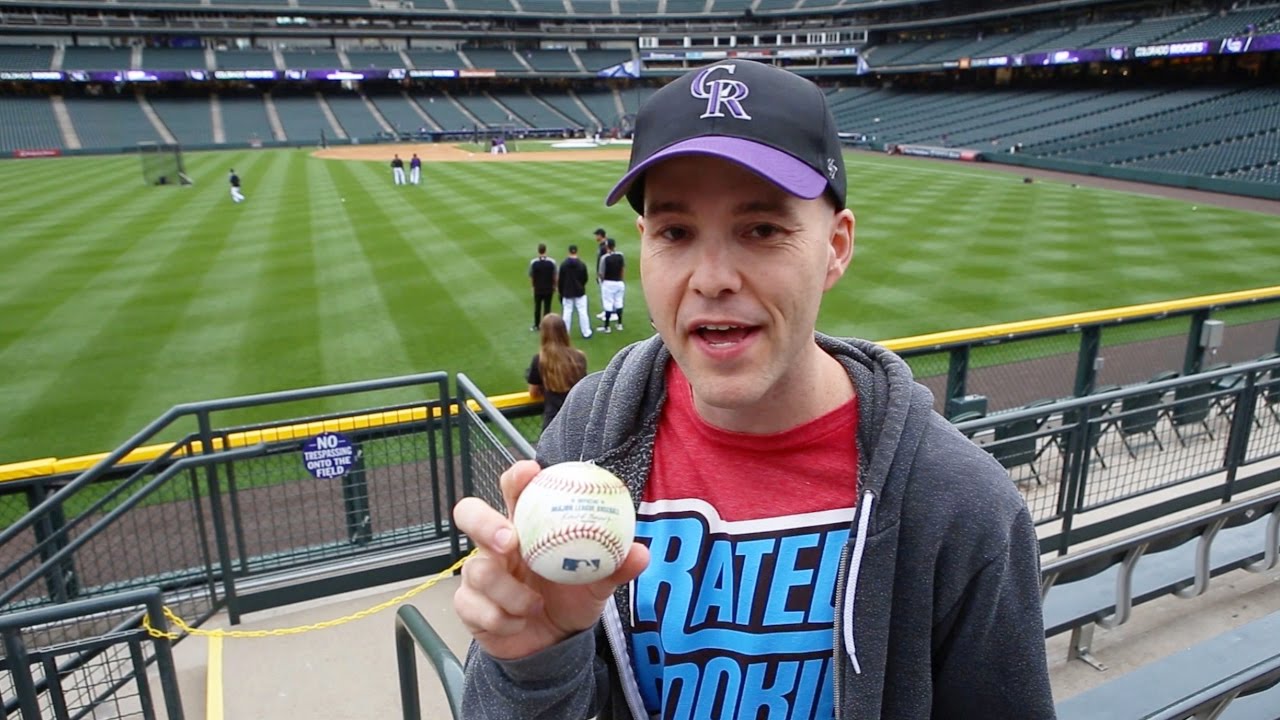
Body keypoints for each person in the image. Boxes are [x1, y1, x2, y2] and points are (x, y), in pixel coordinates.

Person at [451, 59, 1054, 720]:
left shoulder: (962, 508)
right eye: (676, 233)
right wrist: (531, 663)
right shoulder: (585, 441)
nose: (712, 278)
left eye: (762, 230)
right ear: (645, 244)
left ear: (837, 246)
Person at [525, 313, 588, 432]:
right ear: (564, 332)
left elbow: (533, 393)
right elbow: (583, 387)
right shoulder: (579, 357)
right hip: (579, 420)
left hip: (553, 423)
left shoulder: (540, 360)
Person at [556, 244, 591, 340]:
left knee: (567, 313)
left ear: (569, 252)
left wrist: (561, 291)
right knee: (583, 312)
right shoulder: (581, 264)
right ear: (576, 251)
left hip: (567, 292)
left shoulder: (563, 265)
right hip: (580, 291)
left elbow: (560, 280)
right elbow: (585, 278)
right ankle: (586, 332)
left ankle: (565, 333)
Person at [596, 237, 625, 333]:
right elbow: (622, 269)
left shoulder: (605, 258)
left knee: (608, 304)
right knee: (619, 303)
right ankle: (619, 324)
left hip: (608, 283)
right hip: (619, 282)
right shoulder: (620, 255)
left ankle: (607, 327)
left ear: (607, 246)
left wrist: (603, 281)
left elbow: (601, 273)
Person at [529, 243, 557, 331]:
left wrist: (533, 286)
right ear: (545, 250)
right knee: (547, 307)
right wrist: (555, 286)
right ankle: (546, 326)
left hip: (538, 288)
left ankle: (537, 325)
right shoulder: (552, 262)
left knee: (537, 307)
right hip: (549, 288)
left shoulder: (533, 262)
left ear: (538, 251)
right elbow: (555, 276)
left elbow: (532, 276)